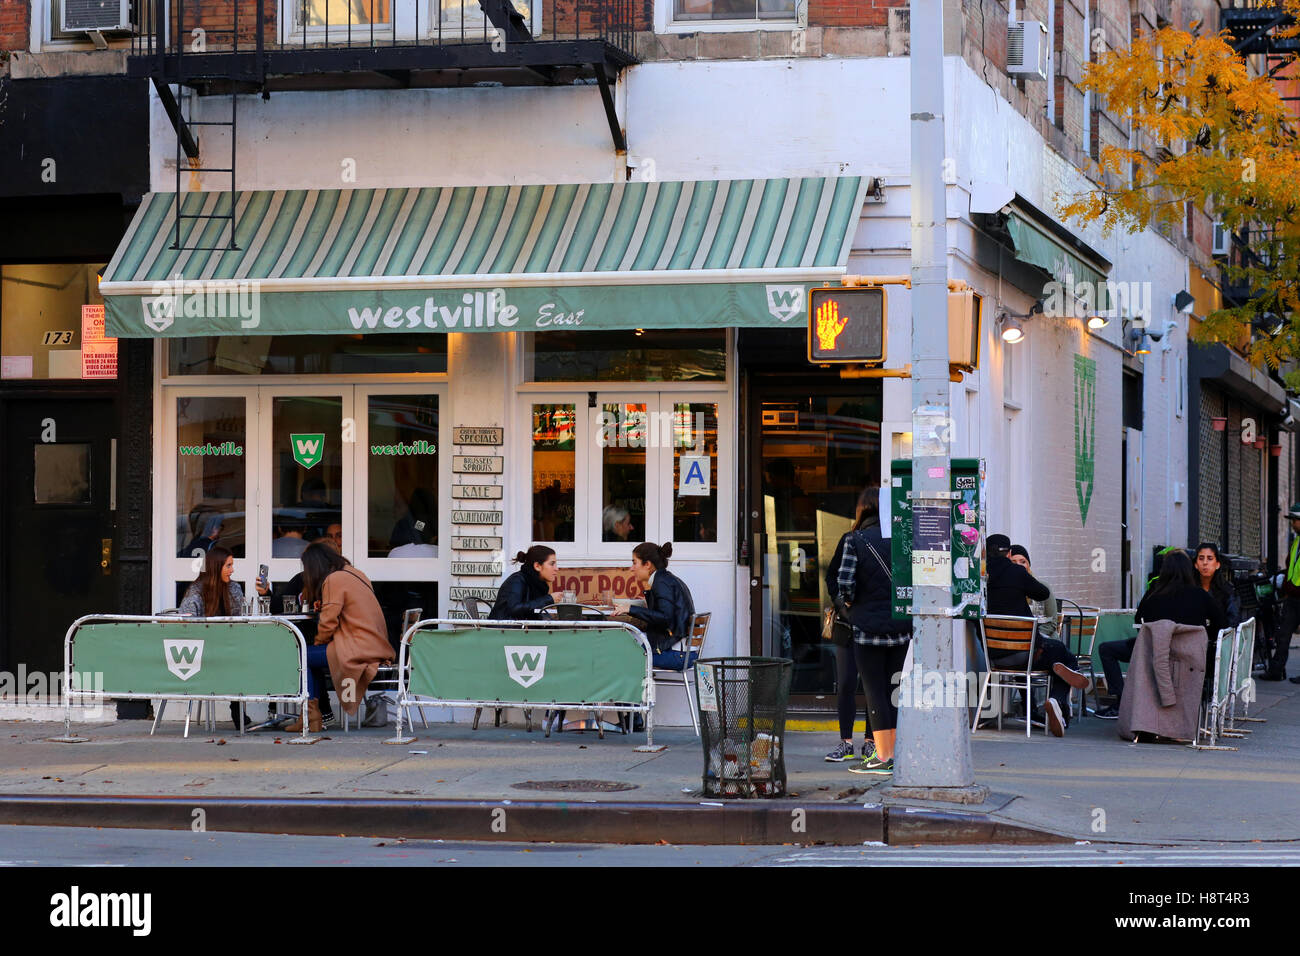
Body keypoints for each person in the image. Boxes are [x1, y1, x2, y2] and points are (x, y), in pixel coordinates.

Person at [827, 486, 909, 774]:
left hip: (866, 629)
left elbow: (845, 583)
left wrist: (851, 606)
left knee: (874, 692)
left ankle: (883, 757)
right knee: (892, 691)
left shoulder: (855, 540)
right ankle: (890, 753)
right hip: (900, 627)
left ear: (864, 510)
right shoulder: (902, 540)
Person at [1098, 550, 1228, 718]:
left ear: (1164, 571)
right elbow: (1222, 625)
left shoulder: (1154, 595)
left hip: (1154, 653)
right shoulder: (1201, 596)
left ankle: (1120, 701)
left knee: (1106, 649)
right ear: (1190, 570)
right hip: (1191, 658)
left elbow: (1139, 620)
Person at [985, 533, 1089, 737]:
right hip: (1026, 655)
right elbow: (1042, 593)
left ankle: (1036, 711)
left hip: (994, 656)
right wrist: (1022, 580)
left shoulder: (980, 575)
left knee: (1053, 657)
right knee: (1061, 654)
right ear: (1009, 553)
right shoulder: (1015, 572)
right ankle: (1057, 702)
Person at [285, 543, 393, 733]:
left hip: (358, 648)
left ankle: (310, 717)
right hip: (375, 645)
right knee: (310, 657)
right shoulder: (355, 573)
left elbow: (328, 623)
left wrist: (319, 641)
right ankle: (315, 717)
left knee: (301, 656)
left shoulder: (334, 579)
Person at [178, 547, 267, 728]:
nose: (232, 570)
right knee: (235, 658)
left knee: (253, 653)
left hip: (229, 646)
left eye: (232, 565)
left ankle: (266, 707)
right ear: (215, 566)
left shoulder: (233, 587)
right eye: (228, 565)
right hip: (201, 651)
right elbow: (185, 626)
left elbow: (240, 620)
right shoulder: (196, 591)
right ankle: (237, 711)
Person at [822, 487, 878, 763]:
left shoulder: (852, 538)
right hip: (861, 622)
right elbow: (833, 576)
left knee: (849, 683)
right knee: (862, 684)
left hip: (851, 622)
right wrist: (844, 605)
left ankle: (861, 742)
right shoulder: (853, 539)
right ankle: (860, 742)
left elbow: (833, 578)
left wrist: (843, 604)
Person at [623, 542, 697, 668]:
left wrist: (630, 609)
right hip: (681, 652)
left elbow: (665, 618)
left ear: (647, 564)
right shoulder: (666, 579)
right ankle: (645, 687)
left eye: (635, 562)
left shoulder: (662, 583)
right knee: (629, 651)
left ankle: (644, 688)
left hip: (676, 655)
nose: (632, 568)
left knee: (623, 656)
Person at [1265, 503, 1300, 681]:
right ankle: (1276, 671)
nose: (1293, 523)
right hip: (1293, 597)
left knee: (1284, 633)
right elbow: (1291, 566)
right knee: (1283, 634)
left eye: (1295, 520)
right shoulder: (1297, 541)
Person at [489, 546, 558, 619]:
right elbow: (514, 609)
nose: (556, 568)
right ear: (537, 566)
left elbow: (532, 613)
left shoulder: (539, 584)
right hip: (504, 629)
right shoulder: (517, 580)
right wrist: (549, 599)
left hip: (522, 629)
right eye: (552, 564)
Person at [1009, 545, 1059, 639]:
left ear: (1028, 565)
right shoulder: (1005, 589)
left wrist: (1032, 638)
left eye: (1023, 562)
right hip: (1016, 640)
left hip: (1044, 639)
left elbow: (1052, 622)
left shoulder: (1042, 587)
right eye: (1013, 562)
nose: (1019, 565)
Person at [1195, 542, 1241, 629]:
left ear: (1217, 564)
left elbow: (1232, 621)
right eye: (1201, 558)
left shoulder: (1227, 591)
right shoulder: (1190, 589)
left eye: (1210, 558)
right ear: (1196, 564)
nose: (1205, 563)